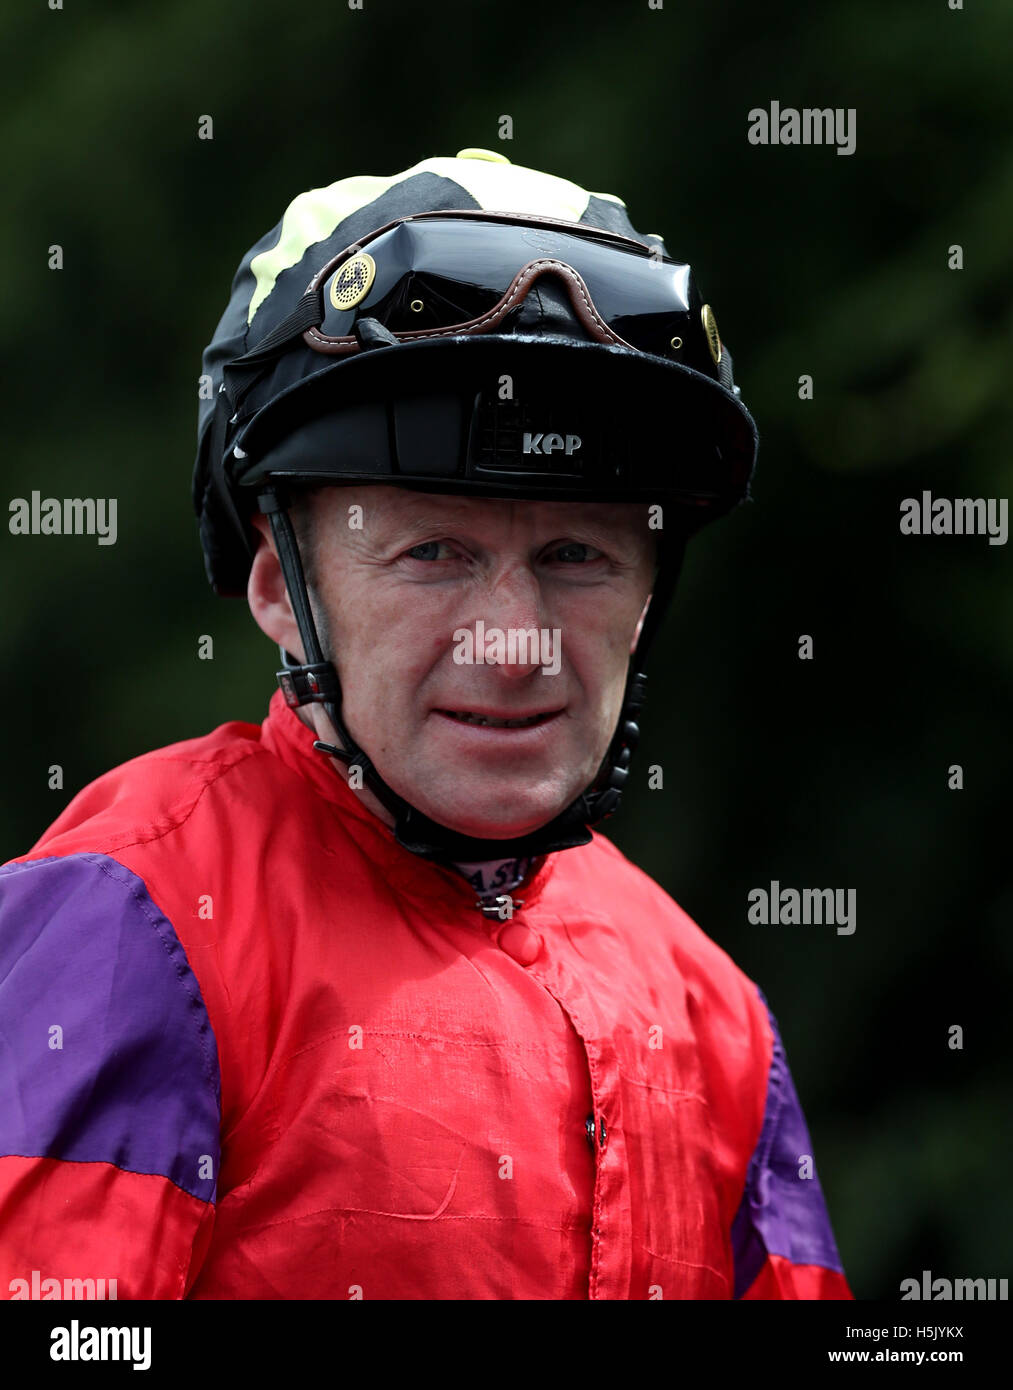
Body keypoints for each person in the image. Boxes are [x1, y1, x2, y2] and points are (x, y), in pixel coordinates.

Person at [0, 149, 852, 1300]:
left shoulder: (709, 1009)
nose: (513, 640)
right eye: (433, 554)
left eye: (575, 557)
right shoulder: (135, 921)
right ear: (276, 589)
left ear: (649, 594)